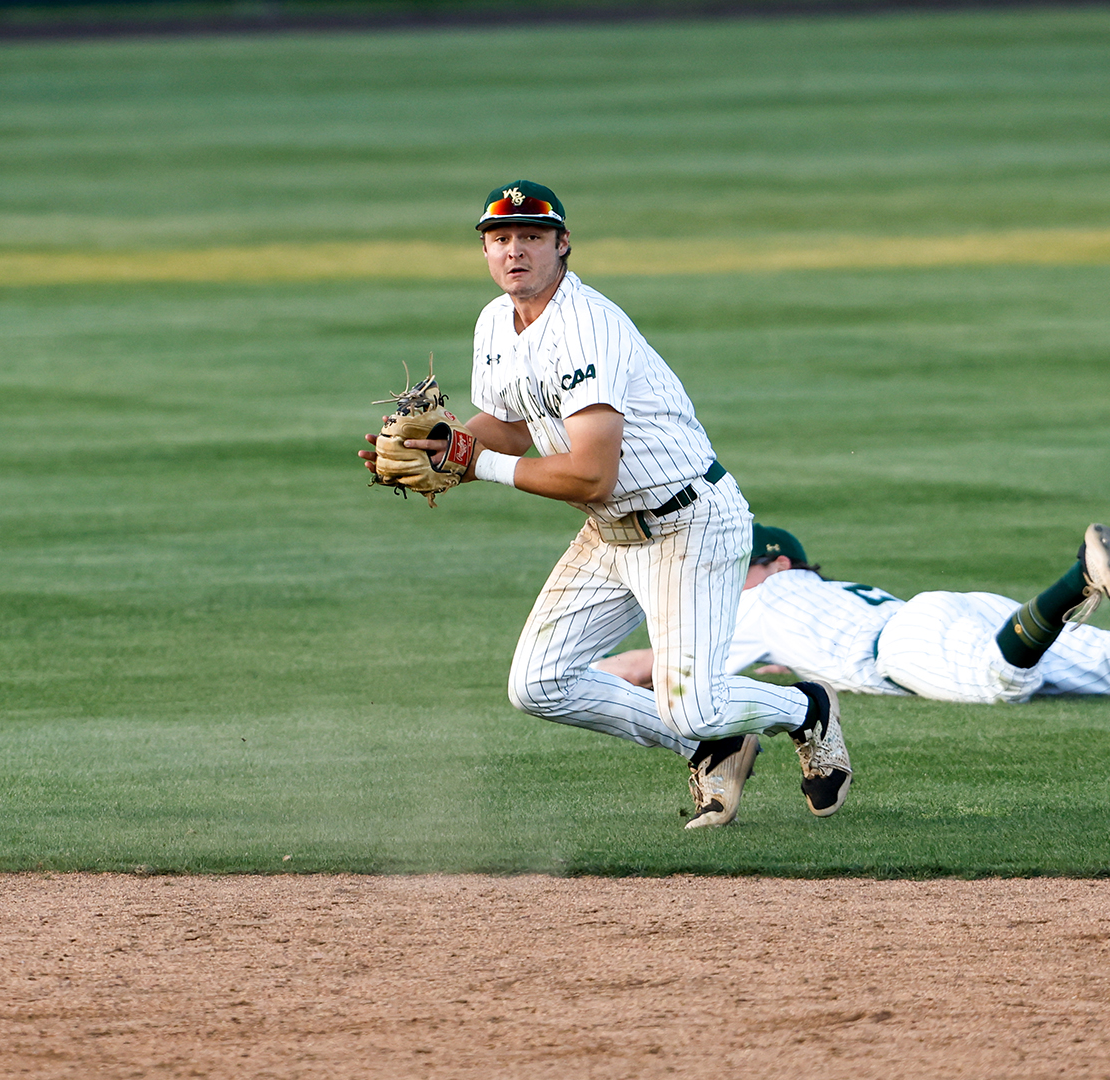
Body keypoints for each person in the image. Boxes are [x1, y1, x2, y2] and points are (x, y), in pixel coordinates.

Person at [359, 181, 849, 829]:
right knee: (538, 684)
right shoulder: (495, 323)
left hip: (687, 524)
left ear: (563, 245)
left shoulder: (586, 328)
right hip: (611, 533)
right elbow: (510, 423)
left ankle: (804, 709)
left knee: (694, 703)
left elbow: (591, 473)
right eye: (500, 239)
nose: (515, 252)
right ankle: (715, 745)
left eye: (532, 237)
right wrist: (444, 448)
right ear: (485, 250)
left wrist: (475, 464)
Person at [595, 523, 1110, 704]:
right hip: (949, 609)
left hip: (906, 641)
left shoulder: (759, 601)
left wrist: (568, 677)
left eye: (741, 566)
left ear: (776, 566)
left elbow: (647, 667)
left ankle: (1080, 575)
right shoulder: (813, 595)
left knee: (997, 682)